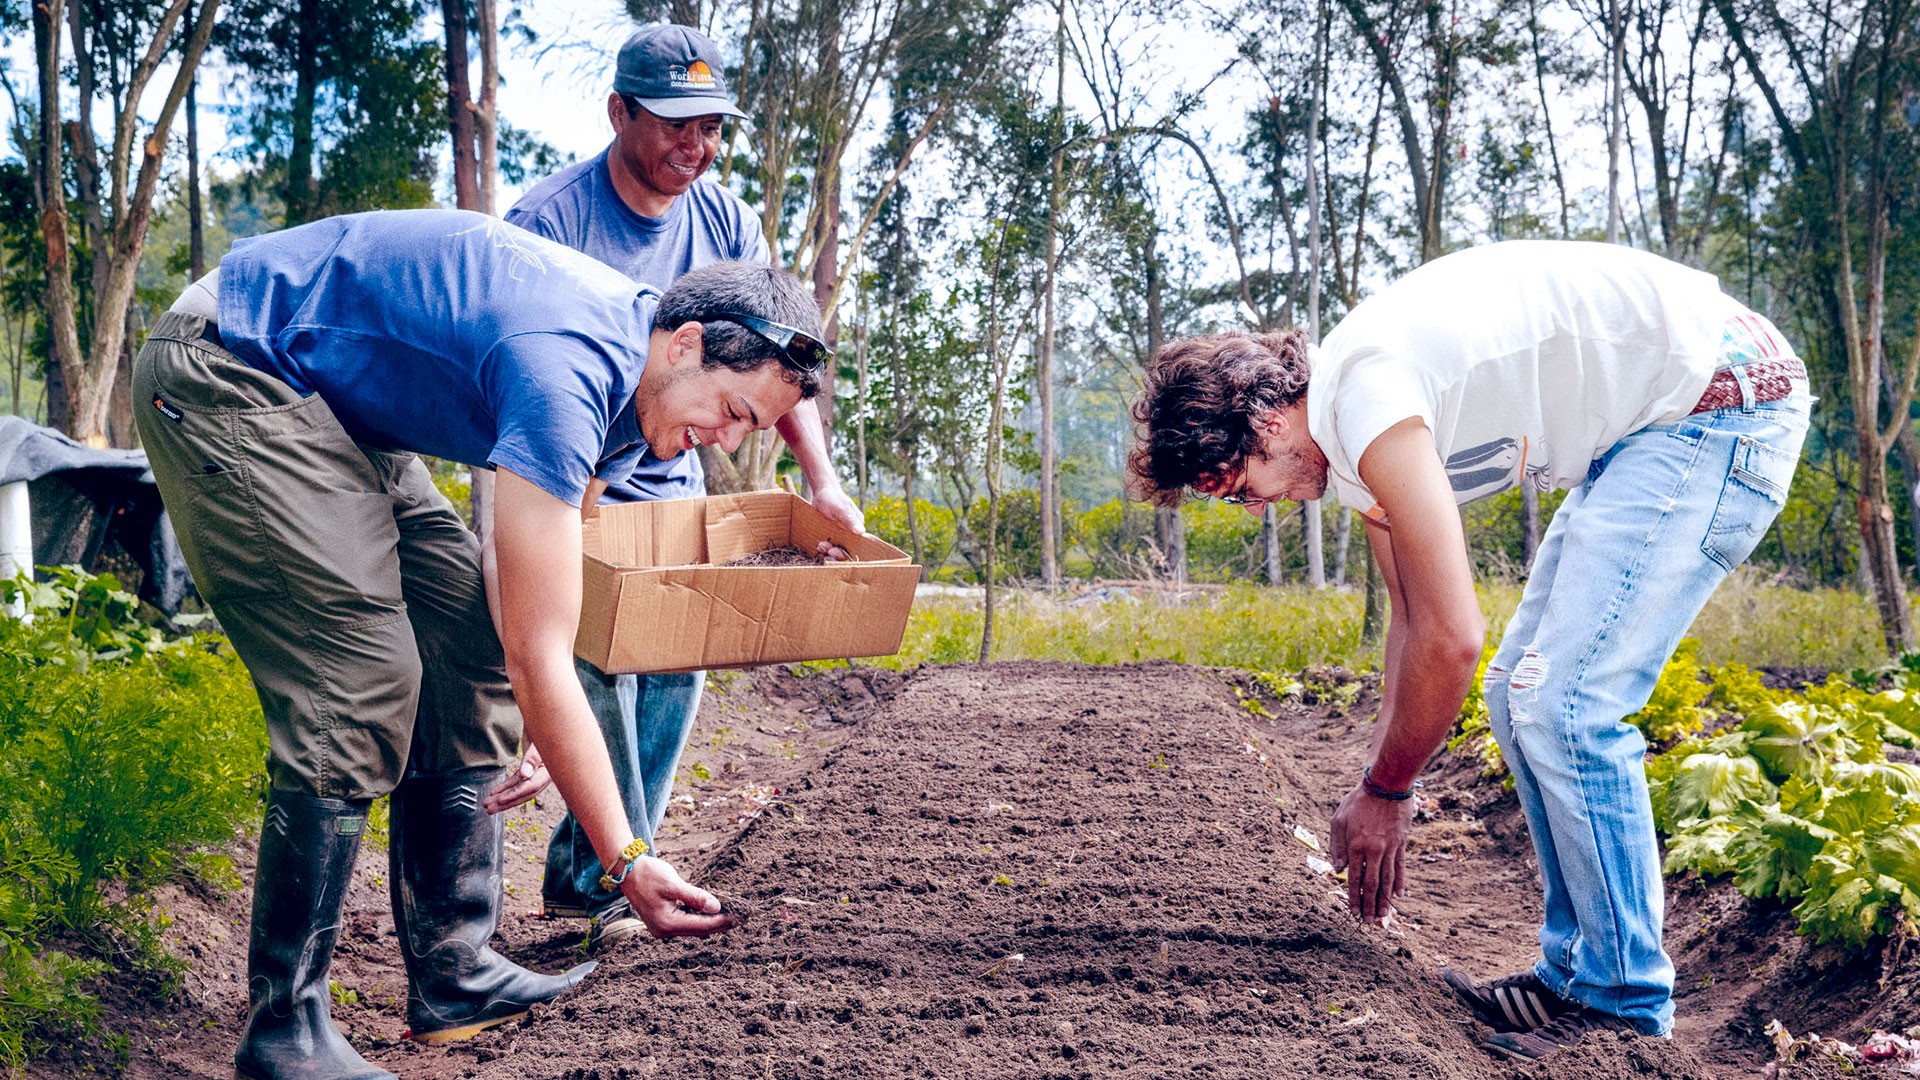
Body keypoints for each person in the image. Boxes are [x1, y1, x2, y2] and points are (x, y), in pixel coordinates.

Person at [133, 208, 830, 1080]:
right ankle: (286, 1027)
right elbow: (544, 654)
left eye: (748, 429)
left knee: (467, 652)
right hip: (231, 365)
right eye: (730, 412)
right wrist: (628, 859)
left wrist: (532, 698)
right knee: (359, 675)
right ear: (686, 343)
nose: (725, 443)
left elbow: (531, 569)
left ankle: (453, 972)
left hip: (342, 407)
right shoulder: (567, 369)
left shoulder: (636, 382)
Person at [1125, 240, 1810, 1063]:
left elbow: (1454, 637)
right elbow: (1411, 619)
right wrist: (1375, 771)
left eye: (1237, 486)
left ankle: (1626, 1005)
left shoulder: (1366, 397)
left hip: (1722, 403)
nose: (1250, 510)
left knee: (1567, 703)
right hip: (1656, 427)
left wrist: (1391, 789)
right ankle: (1573, 975)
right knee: (1518, 695)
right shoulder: (1350, 455)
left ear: (1265, 421)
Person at [489, 23, 865, 951]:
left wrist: (822, 479)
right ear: (619, 112)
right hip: (567, 473)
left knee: (673, 670)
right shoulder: (552, 220)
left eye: (710, 129)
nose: (694, 149)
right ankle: (616, 873)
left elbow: (777, 364)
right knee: (595, 670)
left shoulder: (724, 221)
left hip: (668, 476)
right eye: (673, 126)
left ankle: (592, 876)